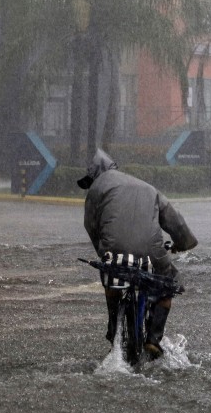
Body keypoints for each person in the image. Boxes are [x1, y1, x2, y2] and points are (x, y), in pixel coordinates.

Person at [79, 149, 198, 358]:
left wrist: (104, 252)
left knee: (110, 280)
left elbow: (91, 226)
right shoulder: (148, 188)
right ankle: (153, 338)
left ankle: (113, 330)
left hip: (114, 252)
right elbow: (174, 220)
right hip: (152, 253)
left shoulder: (97, 188)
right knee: (167, 286)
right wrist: (183, 243)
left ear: (95, 175)